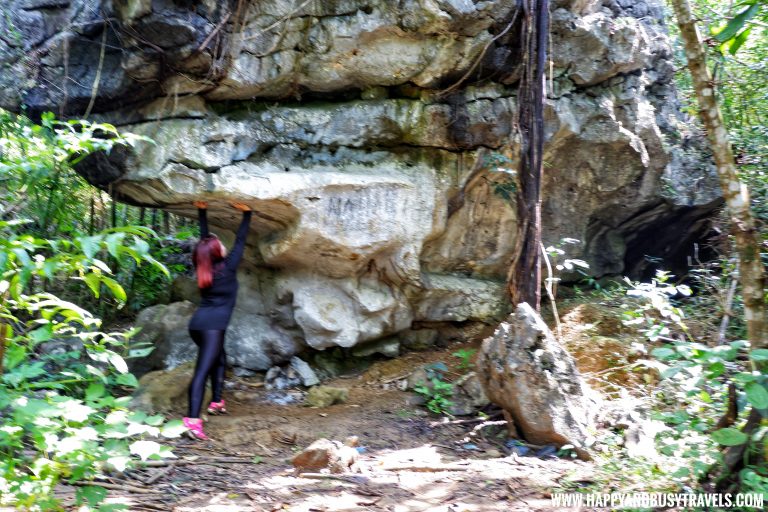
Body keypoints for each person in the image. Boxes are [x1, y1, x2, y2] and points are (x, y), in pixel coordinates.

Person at [183, 200, 252, 440]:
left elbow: (203, 241)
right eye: (219, 244)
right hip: (212, 328)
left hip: (199, 324)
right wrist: (247, 214)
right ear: (216, 251)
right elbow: (241, 239)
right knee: (202, 372)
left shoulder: (203, 266)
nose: (223, 245)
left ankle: (217, 401)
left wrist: (202, 211)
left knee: (219, 358)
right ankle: (192, 421)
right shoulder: (228, 266)